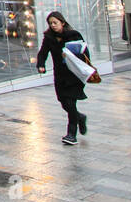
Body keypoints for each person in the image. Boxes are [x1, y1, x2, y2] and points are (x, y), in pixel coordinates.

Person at [36, 11, 90, 146]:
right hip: (59, 75)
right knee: (63, 101)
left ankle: (71, 134)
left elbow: (84, 52)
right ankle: (80, 118)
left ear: (62, 23)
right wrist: (41, 65)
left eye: (55, 23)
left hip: (73, 74)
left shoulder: (73, 35)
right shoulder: (49, 37)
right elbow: (43, 53)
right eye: (50, 23)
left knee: (70, 103)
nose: (53, 25)